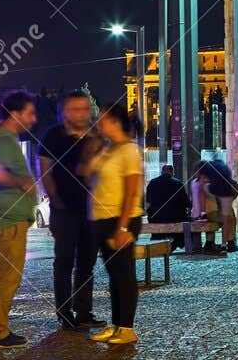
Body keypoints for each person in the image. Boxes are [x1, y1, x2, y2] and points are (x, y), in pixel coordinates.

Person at [0, 90, 41, 350]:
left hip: (5, 217)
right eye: (30, 113)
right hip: (6, 219)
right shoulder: (3, 139)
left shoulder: (0, 137)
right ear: (15, 114)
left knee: (4, 276)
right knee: (6, 277)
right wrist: (23, 182)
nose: (34, 119)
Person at [39, 91, 102, 330]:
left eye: (85, 108)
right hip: (63, 208)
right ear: (64, 111)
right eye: (76, 109)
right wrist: (55, 199)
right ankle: (64, 312)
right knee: (64, 261)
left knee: (88, 261)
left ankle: (84, 310)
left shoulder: (96, 135)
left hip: (92, 208)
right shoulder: (53, 135)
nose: (82, 113)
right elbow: (43, 168)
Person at [85, 103, 145, 346]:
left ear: (115, 122)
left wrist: (123, 228)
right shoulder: (108, 149)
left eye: (103, 119)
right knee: (114, 275)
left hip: (121, 218)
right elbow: (87, 173)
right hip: (102, 218)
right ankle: (118, 324)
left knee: (124, 274)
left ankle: (127, 328)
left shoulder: (129, 151)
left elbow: (132, 192)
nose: (98, 123)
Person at [194, 156, 238, 253]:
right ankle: (227, 244)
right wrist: (231, 200)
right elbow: (237, 186)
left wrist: (203, 212)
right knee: (228, 217)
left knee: (220, 215)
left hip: (213, 206)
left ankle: (210, 243)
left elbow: (202, 189)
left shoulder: (202, 180)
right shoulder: (224, 171)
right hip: (225, 194)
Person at [145, 162, 190, 248]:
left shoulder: (153, 182)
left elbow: (148, 200)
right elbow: (185, 201)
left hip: (156, 217)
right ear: (172, 172)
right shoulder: (178, 183)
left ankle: (157, 240)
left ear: (162, 172)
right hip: (175, 217)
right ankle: (177, 243)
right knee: (186, 221)